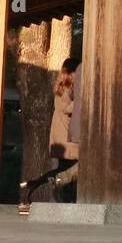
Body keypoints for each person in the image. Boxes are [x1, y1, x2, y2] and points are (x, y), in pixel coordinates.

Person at [17, 57, 81, 212]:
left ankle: (33, 184)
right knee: (82, 165)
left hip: (60, 134)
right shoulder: (69, 86)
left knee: (63, 169)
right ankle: (57, 184)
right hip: (67, 136)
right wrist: (83, 100)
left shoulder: (62, 84)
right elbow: (66, 108)